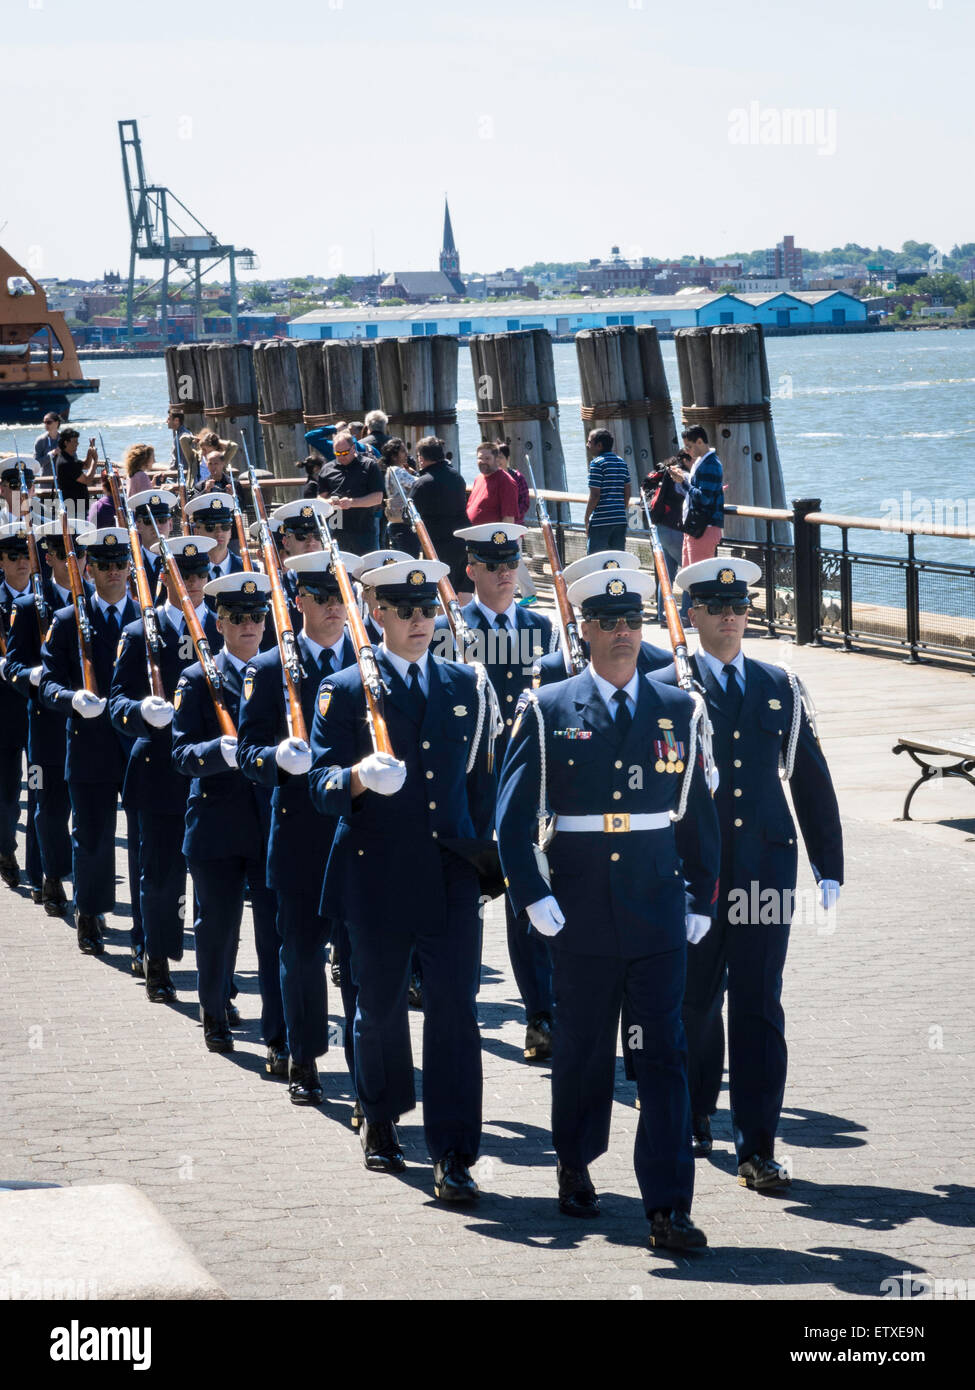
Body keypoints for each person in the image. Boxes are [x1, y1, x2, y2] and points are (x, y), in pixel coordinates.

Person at [496, 564, 720, 1250]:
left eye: (632, 623)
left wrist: (701, 895)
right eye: (608, 624)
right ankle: (574, 1163)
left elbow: (696, 816)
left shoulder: (679, 707)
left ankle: (667, 1205)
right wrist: (532, 895)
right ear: (584, 630)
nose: (622, 635)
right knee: (584, 1052)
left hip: (655, 907)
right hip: (581, 905)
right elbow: (510, 818)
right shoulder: (548, 706)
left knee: (662, 1056)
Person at [307, 558, 498, 1202]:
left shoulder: (464, 685)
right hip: (378, 867)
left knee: (454, 1013)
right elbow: (319, 784)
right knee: (379, 1007)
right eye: (407, 612)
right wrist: (358, 778)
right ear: (379, 614)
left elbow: (479, 785)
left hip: (448, 873)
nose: (421, 622)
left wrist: (488, 860)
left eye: (428, 611)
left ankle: (453, 1151)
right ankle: (381, 1116)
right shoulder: (344, 687)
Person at [656, 558, 843, 1188]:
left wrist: (828, 864)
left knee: (759, 1002)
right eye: (717, 607)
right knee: (694, 1001)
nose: (731, 617)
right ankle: (695, 1112)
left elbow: (809, 778)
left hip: (765, 867)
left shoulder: (777, 684)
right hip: (695, 873)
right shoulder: (665, 686)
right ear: (693, 614)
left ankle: (757, 1146)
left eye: (739, 607)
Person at [237, 549, 359, 1106]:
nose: (335, 608)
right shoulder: (268, 668)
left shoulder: (370, 661)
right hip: (298, 831)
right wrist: (273, 760)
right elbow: (245, 751)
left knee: (359, 960)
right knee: (301, 954)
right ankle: (304, 1056)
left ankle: (366, 1064)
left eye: (341, 597)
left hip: (358, 833)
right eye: (323, 598)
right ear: (300, 602)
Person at [445, 522, 557, 1060]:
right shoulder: (449, 628)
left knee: (525, 887)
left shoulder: (542, 629)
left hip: (527, 780)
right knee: (461, 891)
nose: (505, 574)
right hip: (470, 777)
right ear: (471, 570)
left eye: (511, 564)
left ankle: (541, 1014)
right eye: (492, 566)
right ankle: (448, 992)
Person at [171, 571, 286, 1064]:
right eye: (237, 617)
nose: (249, 626)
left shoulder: (280, 675)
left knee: (274, 934)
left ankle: (280, 1031)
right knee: (217, 928)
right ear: (218, 622)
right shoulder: (197, 678)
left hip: (269, 825)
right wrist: (218, 751)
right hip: (217, 824)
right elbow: (180, 753)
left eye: (257, 617)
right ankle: (215, 1013)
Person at [109, 536, 221, 1004]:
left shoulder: (225, 629)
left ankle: (219, 980)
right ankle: (155, 959)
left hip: (211, 774)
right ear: (164, 579)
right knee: (159, 876)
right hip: (157, 769)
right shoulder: (140, 633)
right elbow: (115, 702)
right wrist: (140, 711)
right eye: (183, 576)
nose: (192, 584)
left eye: (198, 576)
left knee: (214, 886)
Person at [39, 528, 141, 959]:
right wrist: (69, 698)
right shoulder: (67, 621)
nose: (113, 572)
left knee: (144, 841)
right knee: (93, 834)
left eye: (120, 565)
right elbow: (47, 682)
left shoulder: (145, 620)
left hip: (139, 746)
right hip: (89, 742)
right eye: (104, 565)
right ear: (89, 568)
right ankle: (91, 911)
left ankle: (148, 929)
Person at [2, 519, 94, 916]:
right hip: (41, 719)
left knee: (84, 811)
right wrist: (30, 675)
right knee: (47, 804)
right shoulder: (29, 607)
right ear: (53, 557)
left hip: (86, 723)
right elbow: (13, 665)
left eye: (83, 554)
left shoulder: (95, 601)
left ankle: (70, 880)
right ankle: (48, 874)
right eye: (68, 554)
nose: (79, 562)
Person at [531, 552, 672, 688]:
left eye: (632, 620)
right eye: (608, 622)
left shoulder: (665, 663)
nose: (622, 631)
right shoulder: (553, 668)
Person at [0, 522, 35, 893]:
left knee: (43, 791)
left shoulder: (46, 600)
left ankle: (43, 867)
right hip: (4, 711)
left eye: (27, 555)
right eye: (15, 556)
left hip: (40, 709)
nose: (23, 562)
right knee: (7, 794)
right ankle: (6, 850)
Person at [409, 437, 471, 603]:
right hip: (462, 540)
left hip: (438, 545)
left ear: (421, 457)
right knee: (464, 587)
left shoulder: (422, 483)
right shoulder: (457, 477)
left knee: (442, 589)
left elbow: (409, 515)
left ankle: (447, 626)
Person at [315, 430, 384, 556]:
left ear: (353, 448)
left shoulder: (369, 465)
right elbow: (320, 498)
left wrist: (352, 503)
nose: (342, 456)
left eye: (345, 452)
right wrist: (328, 502)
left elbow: (377, 498)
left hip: (364, 529)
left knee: (366, 571)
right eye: (337, 453)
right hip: (337, 530)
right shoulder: (327, 469)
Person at [641, 453, 688, 628]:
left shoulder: (662, 474)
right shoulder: (678, 474)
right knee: (690, 573)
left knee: (665, 576)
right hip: (675, 528)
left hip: (660, 527)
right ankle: (685, 615)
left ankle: (663, 614)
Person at [671, 426, 724, 573]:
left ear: (700, 442)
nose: (686, 450)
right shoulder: (702, 462)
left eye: (689, 446)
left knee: (699, 578)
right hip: (696, 527)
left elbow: (704, 498)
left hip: (704, 528)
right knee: (689, 578)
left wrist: (683, 482)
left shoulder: (711, 465)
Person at [495, 442, 537, 603]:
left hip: (514, 527)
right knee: (505, 562)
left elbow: (525, 502)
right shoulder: (493, 477)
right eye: (495, 457)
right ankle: (511, 593)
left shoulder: (517, 477)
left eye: (501, 458)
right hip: (497, 528)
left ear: (507, 458)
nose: (498, 461)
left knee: (515, 560)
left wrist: (511, 515)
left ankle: (529, 593)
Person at [584, 428, 631, 555]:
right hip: (620, 519)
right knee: (616, 560)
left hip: (601, 520)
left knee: (595, 560)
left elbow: (595, 495)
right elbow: (627, 492)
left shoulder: (597, 464)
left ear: (599, 445)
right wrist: (621, 509)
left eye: (589, 442)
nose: (587, 445)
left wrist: (586, 518)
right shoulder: (622, 462)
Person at [127, 488, 177, 600]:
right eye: (149, 521)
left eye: (162, 520)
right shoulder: (129, 564)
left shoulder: (180, 561)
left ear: (170, 524)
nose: (157, 526)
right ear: (138, 526)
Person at [184, 495, 245, 581]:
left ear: (230, 531)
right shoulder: (183, 572)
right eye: (210, 527)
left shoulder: (247, 569)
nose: (219, 532)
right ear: (196, 532)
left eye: (225, 527)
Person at [381, 439, 420, 558]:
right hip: (404, 523)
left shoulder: (389, 471)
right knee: (410, 559)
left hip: (394, 523)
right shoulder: (398, 470)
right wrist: (417, 474)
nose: (406, 453)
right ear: (394, 456)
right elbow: (419, 484)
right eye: (403, 451)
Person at [466, 441, 518, 528]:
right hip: (473, 536)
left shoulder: (506, 481)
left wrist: (500, 540)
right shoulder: (478, 478)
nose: (483, 461)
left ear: (496, 459)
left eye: (487, 458)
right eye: (480, 458)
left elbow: (508, 519)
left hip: (492, 538)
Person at [52, 429, 100, 514]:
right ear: (66, 443)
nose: (77, 444)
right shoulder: (66, 462)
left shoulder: (68, 457)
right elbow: (87, 480)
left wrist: (90, 452)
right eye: (75, 441)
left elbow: (86, 465)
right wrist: (95, 460)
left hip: (77, 505)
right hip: (74, 507)